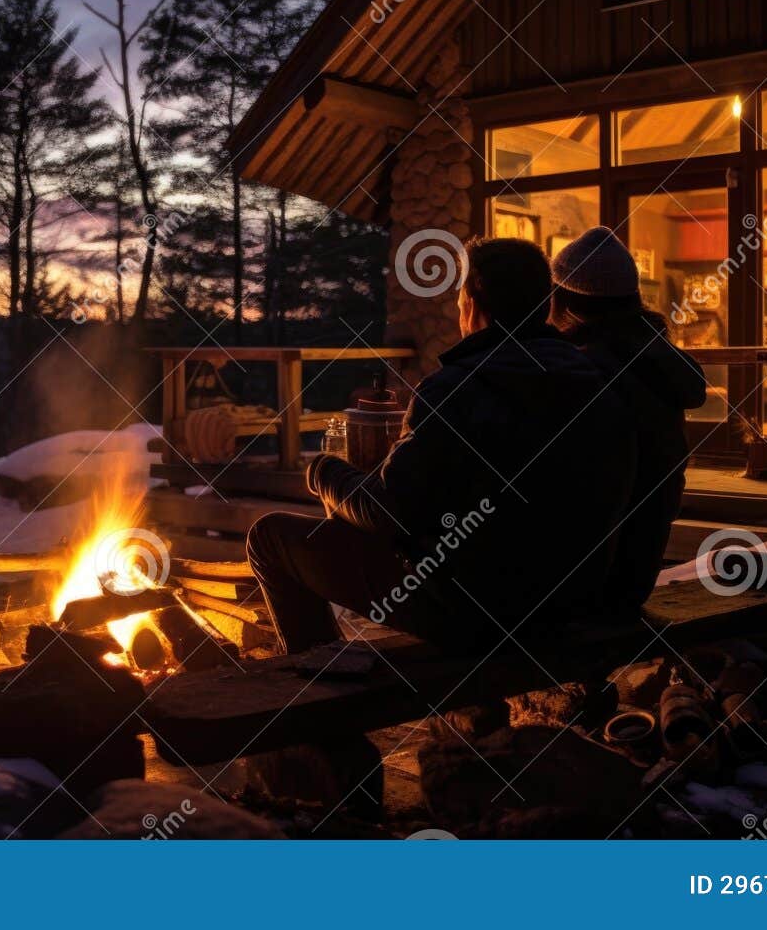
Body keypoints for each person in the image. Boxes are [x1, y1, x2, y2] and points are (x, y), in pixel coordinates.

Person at [246, 238, 639, 656]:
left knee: (269, 536)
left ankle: (319, 689)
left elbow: (390, 513)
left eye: (458, 298)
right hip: (568, 603)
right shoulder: (599, 386)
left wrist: (324, 472)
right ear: (544, 306)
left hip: (475, 613)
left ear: (471, 304)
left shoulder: (456, 388)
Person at [549, 227, 708, 616]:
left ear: (565, 299)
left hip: (587, 585)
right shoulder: (655, 360)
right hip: (636, 576)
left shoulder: (583, 371)